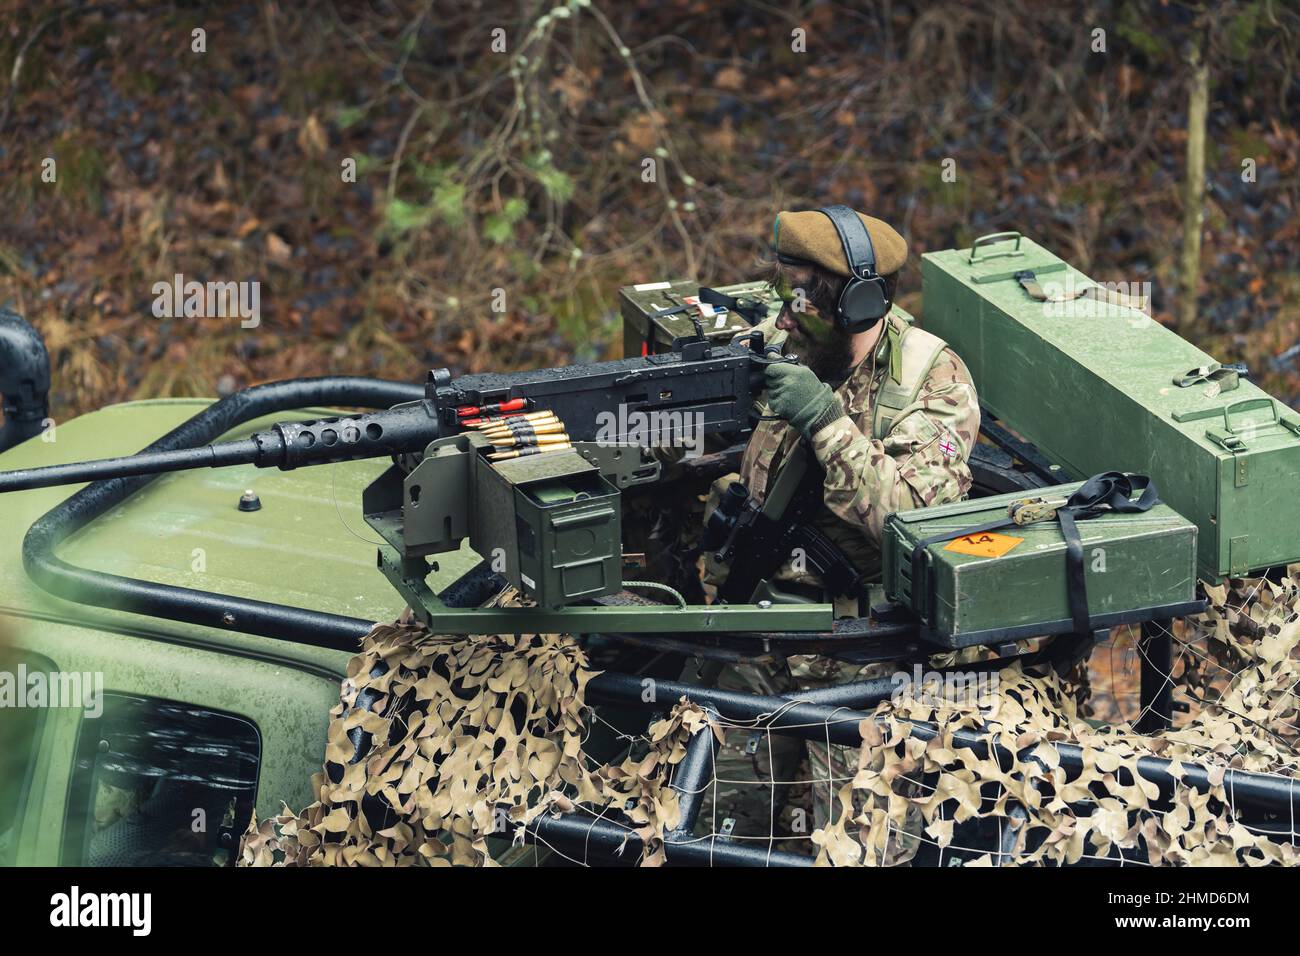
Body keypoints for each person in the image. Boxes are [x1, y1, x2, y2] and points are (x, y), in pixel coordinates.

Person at [698, 205, 981, 843]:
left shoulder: (930, 379)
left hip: (862, 658)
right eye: (785, 294)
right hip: (762, 625)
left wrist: (826, 421)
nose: (787, 315)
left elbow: (919, 516)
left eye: (804, 301)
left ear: (857, 304)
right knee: (716, 829)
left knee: (856, 848)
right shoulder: (794, 337)